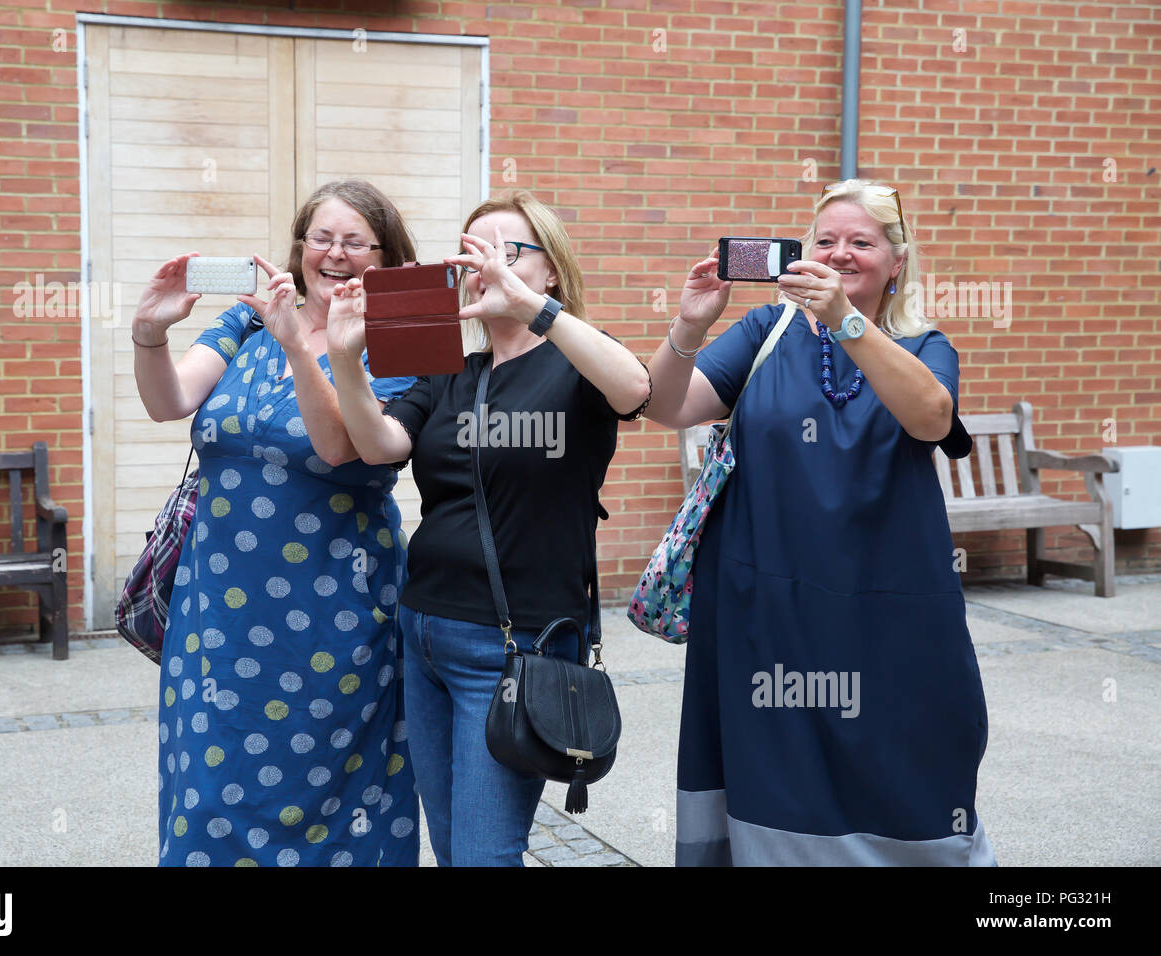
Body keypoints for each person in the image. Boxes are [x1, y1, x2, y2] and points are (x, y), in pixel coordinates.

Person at [644, 179, 995, 866]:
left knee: (909, 758)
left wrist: (847, 322)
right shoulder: (764, 331)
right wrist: (689, 324)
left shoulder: (925, 345)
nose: (839, 255)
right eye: (825, 241)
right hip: (764, 607)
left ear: (896, 260)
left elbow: (930, 417)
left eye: (861, 242)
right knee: (774, 770)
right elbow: (665, 407)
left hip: (889, 610)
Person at [324, 191, 651, 866]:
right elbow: (380, 443)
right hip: (423, 632)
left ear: (551, 270)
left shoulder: (578, 361)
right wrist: (347, 360)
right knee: (452, 847)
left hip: (515, 645)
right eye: (474, 253)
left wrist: (535, 312)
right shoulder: (450, 373)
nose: (488, 266)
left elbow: (635, 389)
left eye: (510, 251)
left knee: (483, 853)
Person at [132, 179, 422, 867]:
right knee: (211, 785)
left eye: (356, 242)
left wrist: (302, 347)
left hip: (337, 611)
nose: (335, 254)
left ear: (385, 257)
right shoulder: (247, 321)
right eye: (321, 237)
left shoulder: (401, 340)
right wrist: (149, 334)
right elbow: (169, 401)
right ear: (299, 247)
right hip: (218, 611)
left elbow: (339, 447)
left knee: (333, 789)